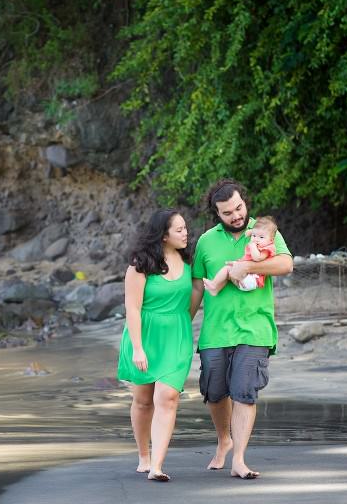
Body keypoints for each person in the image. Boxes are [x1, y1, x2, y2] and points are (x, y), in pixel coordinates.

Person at [190, 179, 293, 479]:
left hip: (255, 328)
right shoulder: (206, 241)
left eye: (239, 208)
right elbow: (197, 287)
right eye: (227, 212)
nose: (236, 215)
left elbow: (285, 264)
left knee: (244, 392)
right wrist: (183, 324)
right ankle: (224, 440)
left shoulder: (264, 231)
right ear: (216, 214)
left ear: (244, 202)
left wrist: (248, 266)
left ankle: (239, 459)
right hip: (215, 331)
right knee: (215, 393)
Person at [117, 209, 194, 482]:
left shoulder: (189, 260)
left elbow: (196, 294)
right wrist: (138, 348)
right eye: (179, 230)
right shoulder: (141, 263)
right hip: (145, 335)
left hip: (177, 337)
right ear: (163, 235)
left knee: (168, 397)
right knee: (142, 401)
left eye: (185, 228)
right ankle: (144, 456)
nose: (186, 233)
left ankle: (157, 466)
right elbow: (132, 308)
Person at [203, 216, 278, 295]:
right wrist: (252, 232)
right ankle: (216, 289)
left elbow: (257, 258)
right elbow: (251, 233)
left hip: (252, 279)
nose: (256, 239)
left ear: (271, 240)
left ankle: (214, 284)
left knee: (227, 269)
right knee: (228, 273)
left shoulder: (267, 248)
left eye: (261, 237)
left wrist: (253, 246)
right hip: (248, 276)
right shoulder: (261, 241)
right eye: (254, 236)